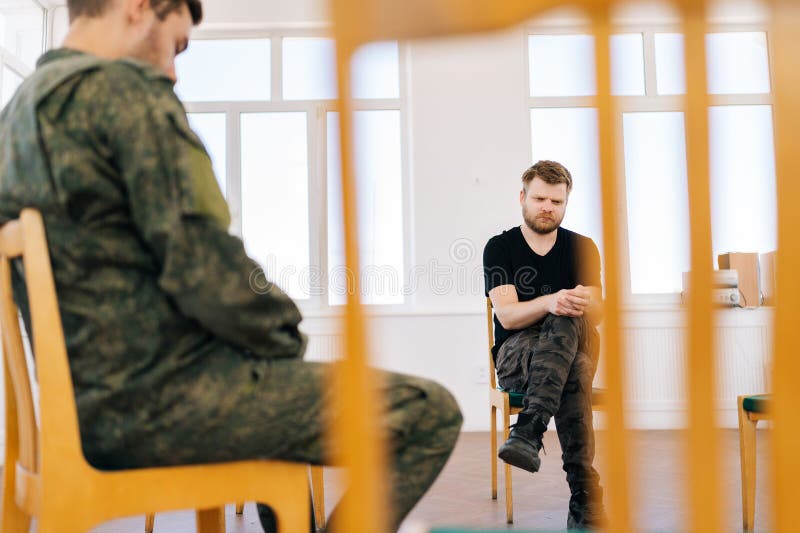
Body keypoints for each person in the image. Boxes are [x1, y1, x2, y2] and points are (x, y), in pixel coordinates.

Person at [0, 0, 462, 531]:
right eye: (176, 45)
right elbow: (207, 272)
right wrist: (283, 327)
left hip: (85, 413)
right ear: (138, 7)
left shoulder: (17, 115)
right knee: (429, 412)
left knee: (274, 387)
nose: (172, 71)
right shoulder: (124, 96)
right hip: (162, 406)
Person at [483, 160, 605, 529]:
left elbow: (597, 312)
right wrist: (551, 301)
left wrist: (578, 302)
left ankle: (529, 430)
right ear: (523, 197)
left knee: (569, 315)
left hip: (576, 341)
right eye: (539, 198)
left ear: (566, 203)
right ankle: (585, 497)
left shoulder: (583, 247)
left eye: (556, 201)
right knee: (576, 370)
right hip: (517, 355)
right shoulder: (500, 248)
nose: (547, 207)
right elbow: (507, 317)